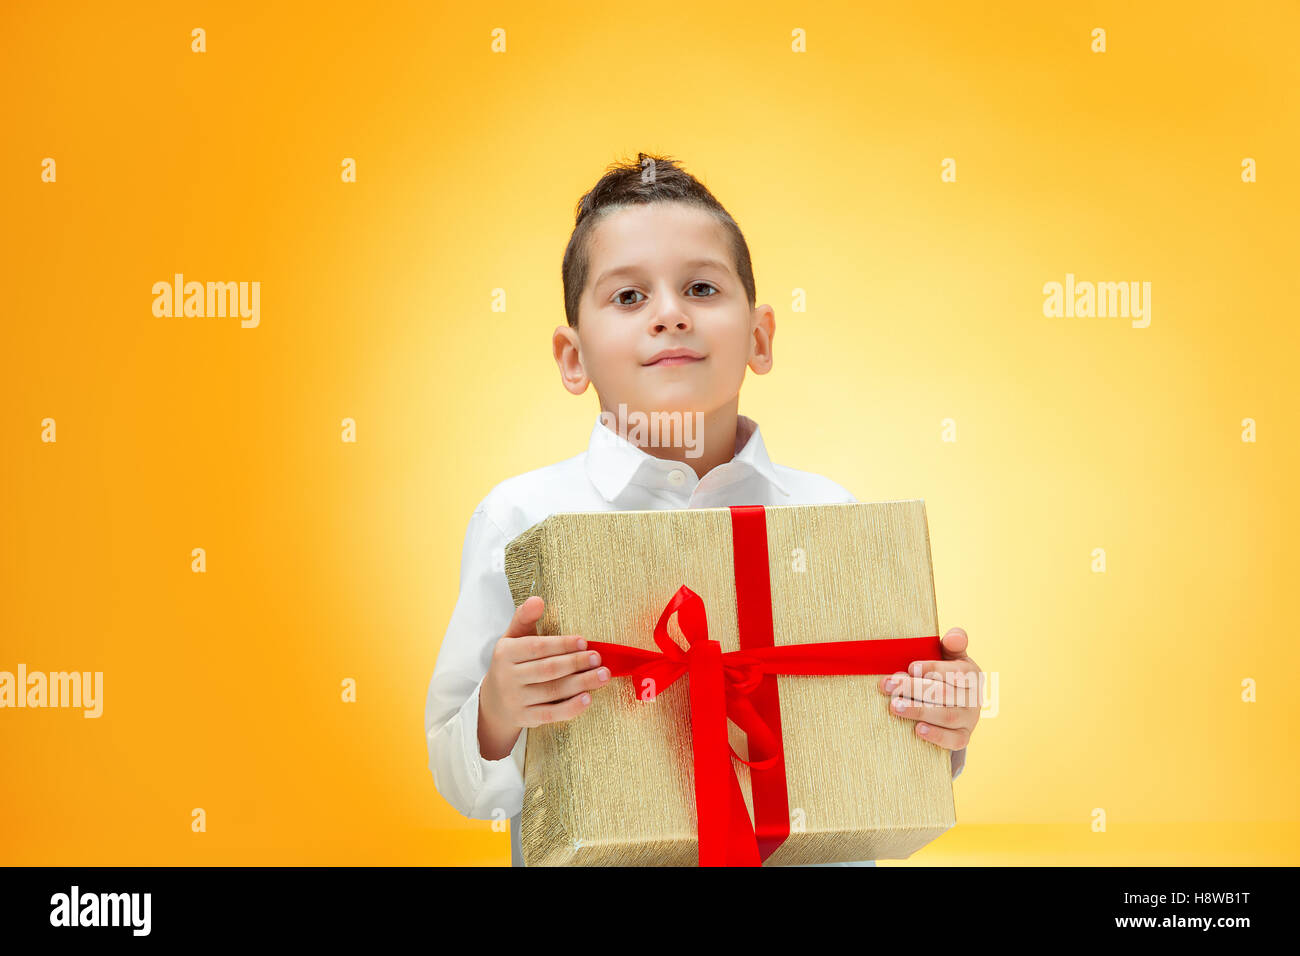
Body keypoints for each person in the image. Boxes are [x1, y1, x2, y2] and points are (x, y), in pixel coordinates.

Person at [424, 152, 982, 866]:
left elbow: (873, 750)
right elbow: (457, 767)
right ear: (573, 358)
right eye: (628, 298)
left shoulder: (828, 515)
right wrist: (498, 713)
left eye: (700, 287)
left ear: (759, 337)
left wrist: (944, 715)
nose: (670, 315)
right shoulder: (521, 520)